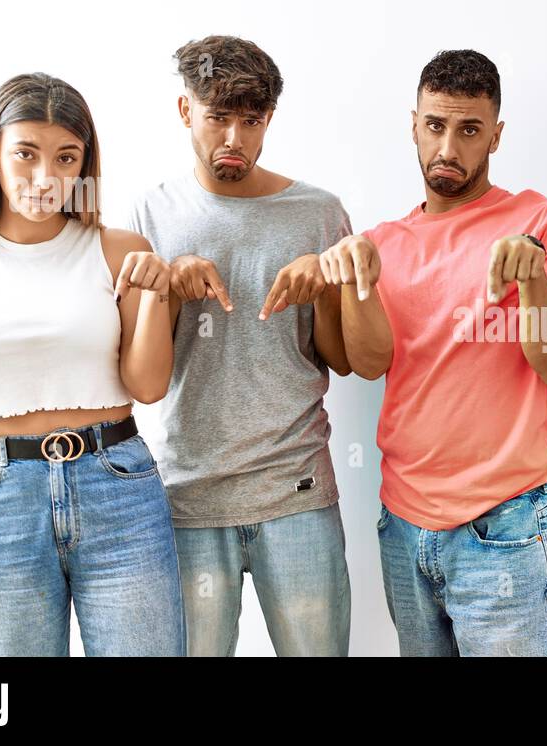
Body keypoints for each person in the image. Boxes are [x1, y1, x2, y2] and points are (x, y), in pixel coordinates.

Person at [0, 73, 183, 656]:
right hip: (0, 497)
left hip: (118, 487)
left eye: (66, 157)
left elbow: (148, 387)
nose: (44, 177)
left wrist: (156, 295)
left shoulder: (120, 250)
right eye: (25, 154)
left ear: (84, 165)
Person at [318, 49, 547, 656]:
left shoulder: (542, 220)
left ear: (496, 134)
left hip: (506, 526)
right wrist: (353, 284)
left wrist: (534, 278)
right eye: (435, 126)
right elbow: (368, 364)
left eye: (469, 130)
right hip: (402, 523)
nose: (449, 147)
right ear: (413, 123)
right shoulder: (384, 242)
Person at [127, 35, 353, 656]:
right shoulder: (150, 213)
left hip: (297, 490)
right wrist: (168, 291)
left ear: (269, 120)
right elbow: (141, 376)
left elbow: (339, 359)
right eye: (217, 118)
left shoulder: (319, 213)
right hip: (187, 495)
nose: (234, 138)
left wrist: (325, 289)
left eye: (250, 122)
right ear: (184, 111)